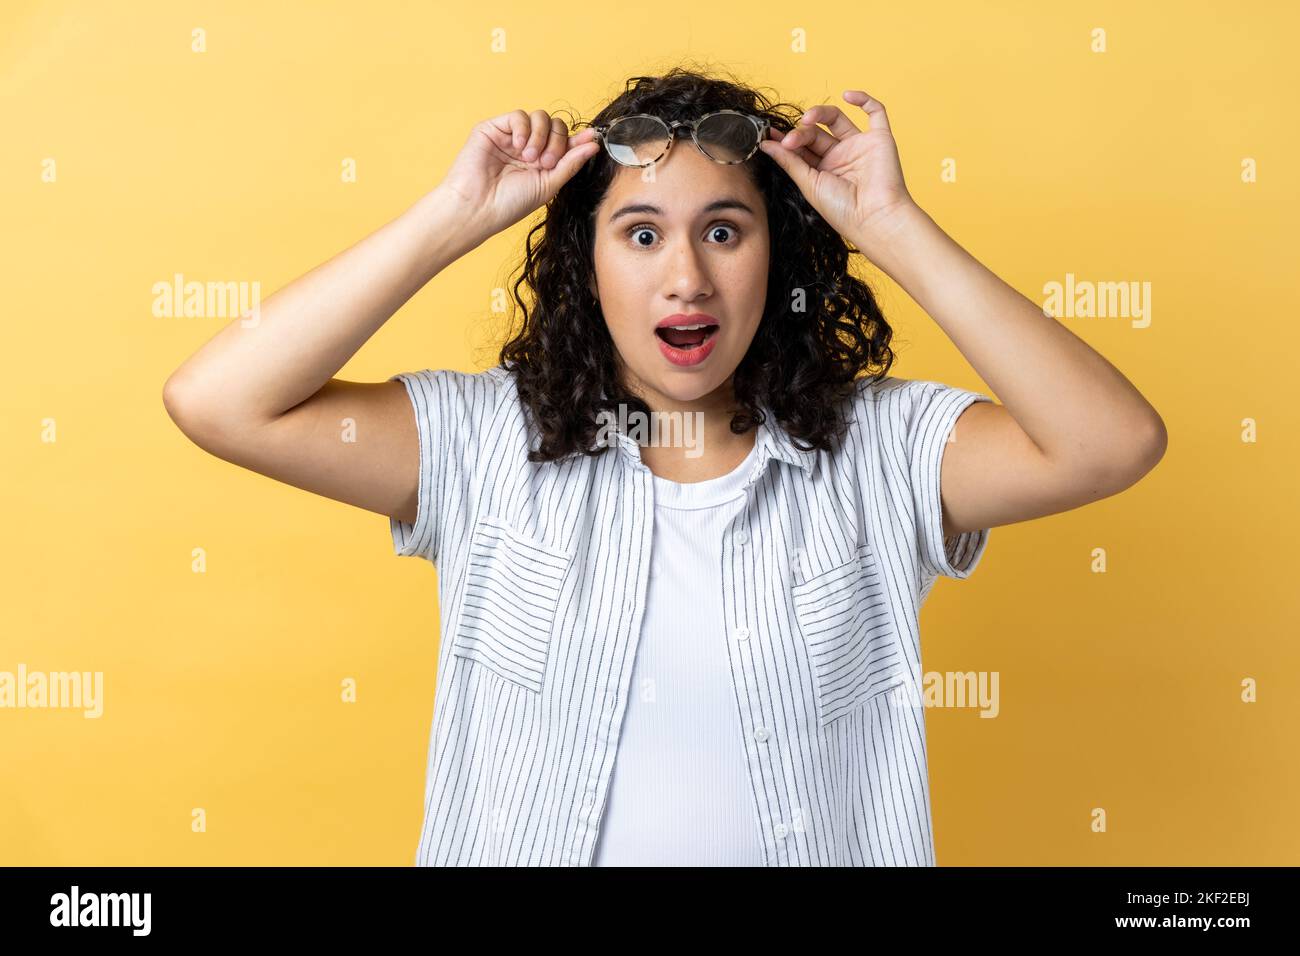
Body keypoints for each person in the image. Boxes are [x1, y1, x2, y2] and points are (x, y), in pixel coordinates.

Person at [162, 66, 1167, 866]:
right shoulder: (481, 445)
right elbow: (218, 400)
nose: (686, 277)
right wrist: (455, 216)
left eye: (723, 231)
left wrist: (891, 228)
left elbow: (1109, 441)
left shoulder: (881, 454)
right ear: (584, 265)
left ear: (778, 259)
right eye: (640, 233)